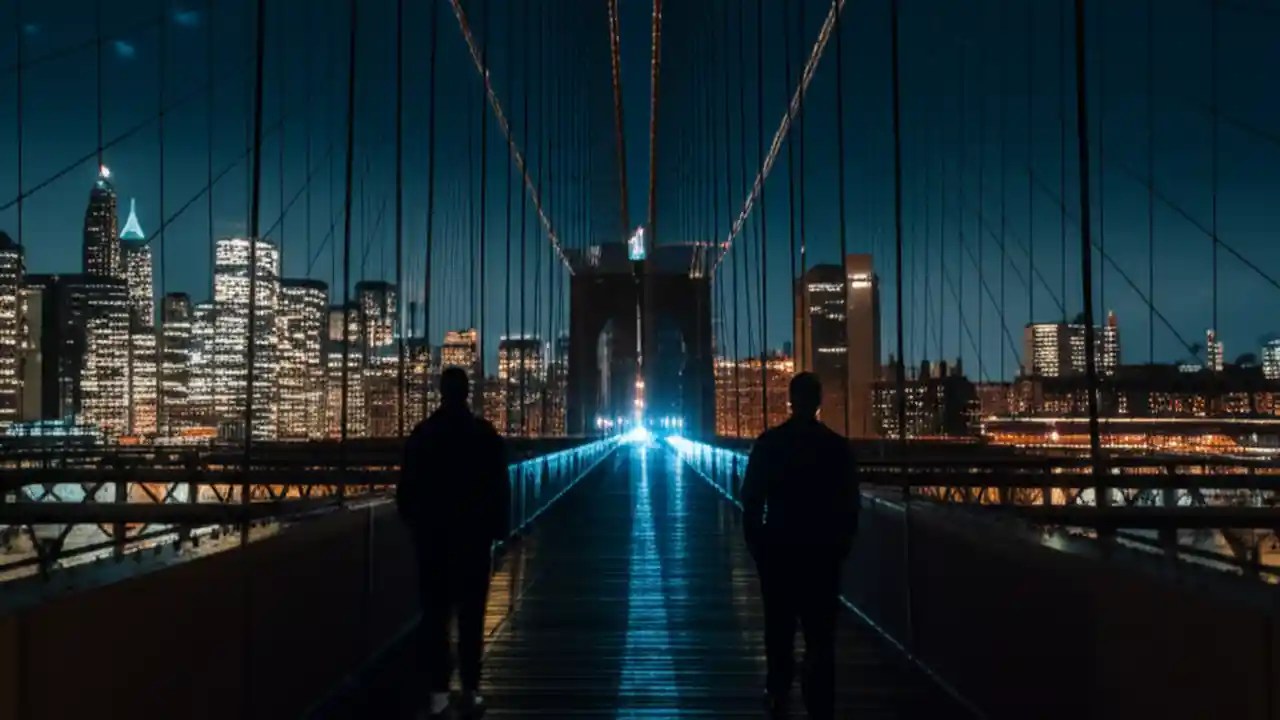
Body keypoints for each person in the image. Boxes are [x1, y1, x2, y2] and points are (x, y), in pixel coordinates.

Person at [741, 372, 859, 720]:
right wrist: (840, 549)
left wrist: (759, 549)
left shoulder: (768, 444)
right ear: (819, 401)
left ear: (790, 400)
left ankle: (778, 693)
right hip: (822, 557)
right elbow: (850, 507)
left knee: (778, 630)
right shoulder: (838, 449)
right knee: (820, 636)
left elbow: (750, 502)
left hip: (778, 553)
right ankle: (820, 703)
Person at [398, 367, 511, 719]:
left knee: (434, 619)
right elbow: (500, 491)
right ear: (467, 393)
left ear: (440, 392)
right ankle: (472, 691)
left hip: (433, 545)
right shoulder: (486, 436)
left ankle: (437, 696)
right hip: (474, 544)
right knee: (471, 618)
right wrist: (500, 534)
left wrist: (419, 529)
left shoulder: (422, 436)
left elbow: (406, 496)